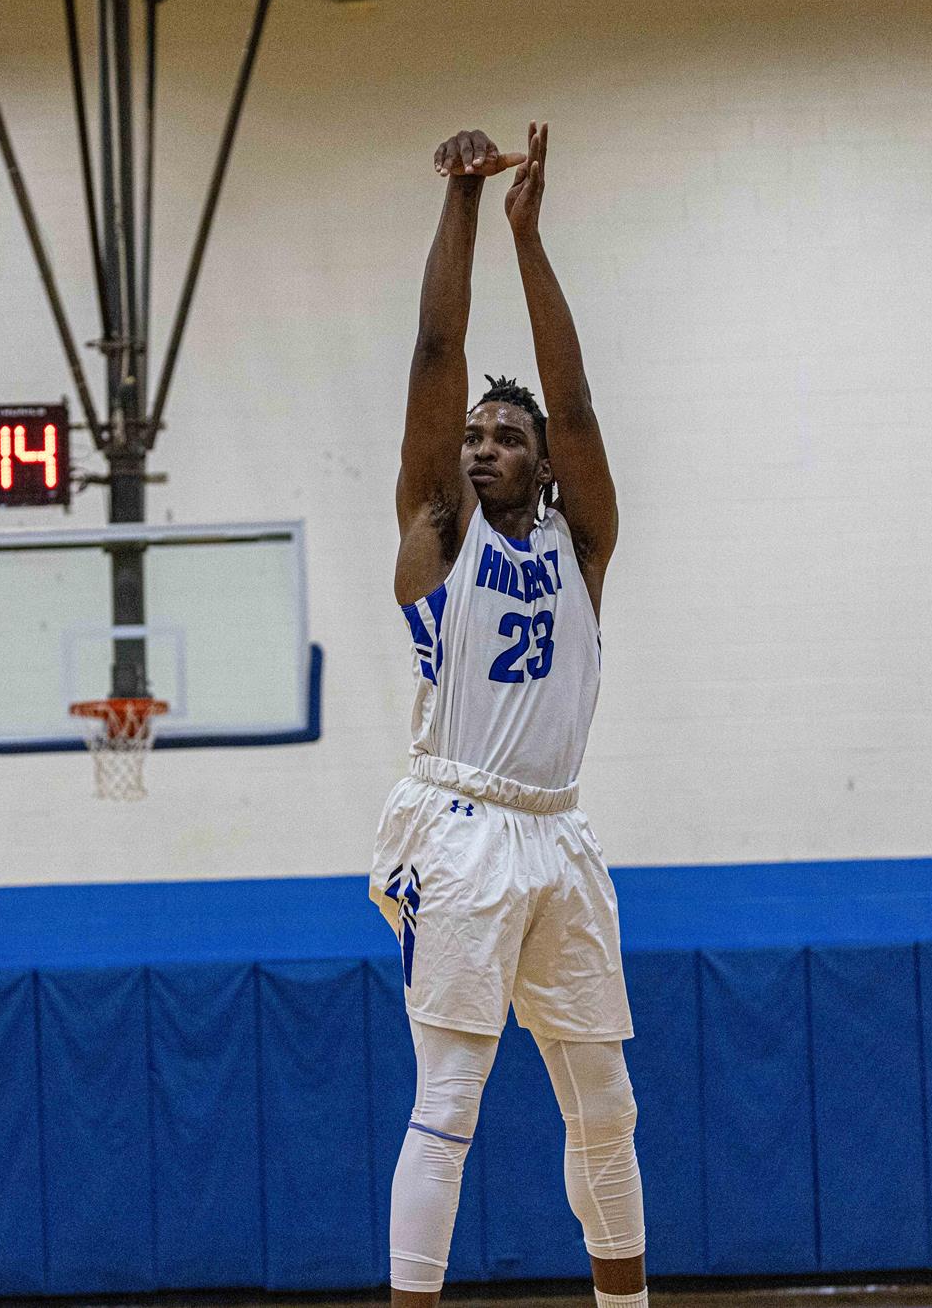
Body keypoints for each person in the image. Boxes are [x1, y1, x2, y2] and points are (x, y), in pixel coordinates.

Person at [372, 122, 646, 1308]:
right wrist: (464, 205)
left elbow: (575, 399)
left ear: (542, 462)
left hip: (560, 832)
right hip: (463, 824)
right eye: (474, 435)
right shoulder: (439, 534)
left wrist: (533, 238)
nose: (482, 443)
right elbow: (438, 347)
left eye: (505, 436)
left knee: (606, 1101)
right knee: (450, 1101)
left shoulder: (583, 548)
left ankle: (626, 1301)